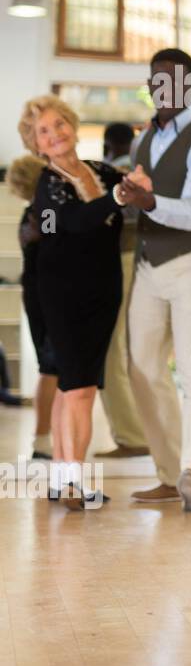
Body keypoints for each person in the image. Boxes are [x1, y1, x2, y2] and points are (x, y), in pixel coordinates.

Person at [122, 49, 191, 512]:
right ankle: (169, 474)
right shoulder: (143, 138)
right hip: (150, 266)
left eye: (170, 81)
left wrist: (147, 202)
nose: (160, 88)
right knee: (143, 367)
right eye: (155, 80)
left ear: (189, 86)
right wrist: (124, 194)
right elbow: (139, 192)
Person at [16, 96, 136, 508]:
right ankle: (77, 481)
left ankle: (63, 479)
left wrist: (132, 190)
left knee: (73, 389)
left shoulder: (102, 172)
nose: (55, 134)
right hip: (62, 292)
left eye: (59, 124)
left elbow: (119, 210)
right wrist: (119, 197)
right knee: (80, 388)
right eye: (44, 132)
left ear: (72, 124)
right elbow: (77, 223)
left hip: (104, 288)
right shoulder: (47, 183)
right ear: (37, 145)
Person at [97, 121, 150, 458]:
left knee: (110, 349)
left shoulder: (113, 175)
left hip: (120, 259)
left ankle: (131, 436)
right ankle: (139, 432)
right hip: (142, 261)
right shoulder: (140, 170)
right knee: (129, 349)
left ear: (107, 144)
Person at [6, 155, 59, 456]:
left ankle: (44, 439)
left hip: (37, 292)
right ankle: (43, 440)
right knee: (53, 366)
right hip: (49, 294)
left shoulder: (32, 212)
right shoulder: (44, 212)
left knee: (50, 366)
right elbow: (53, 246)